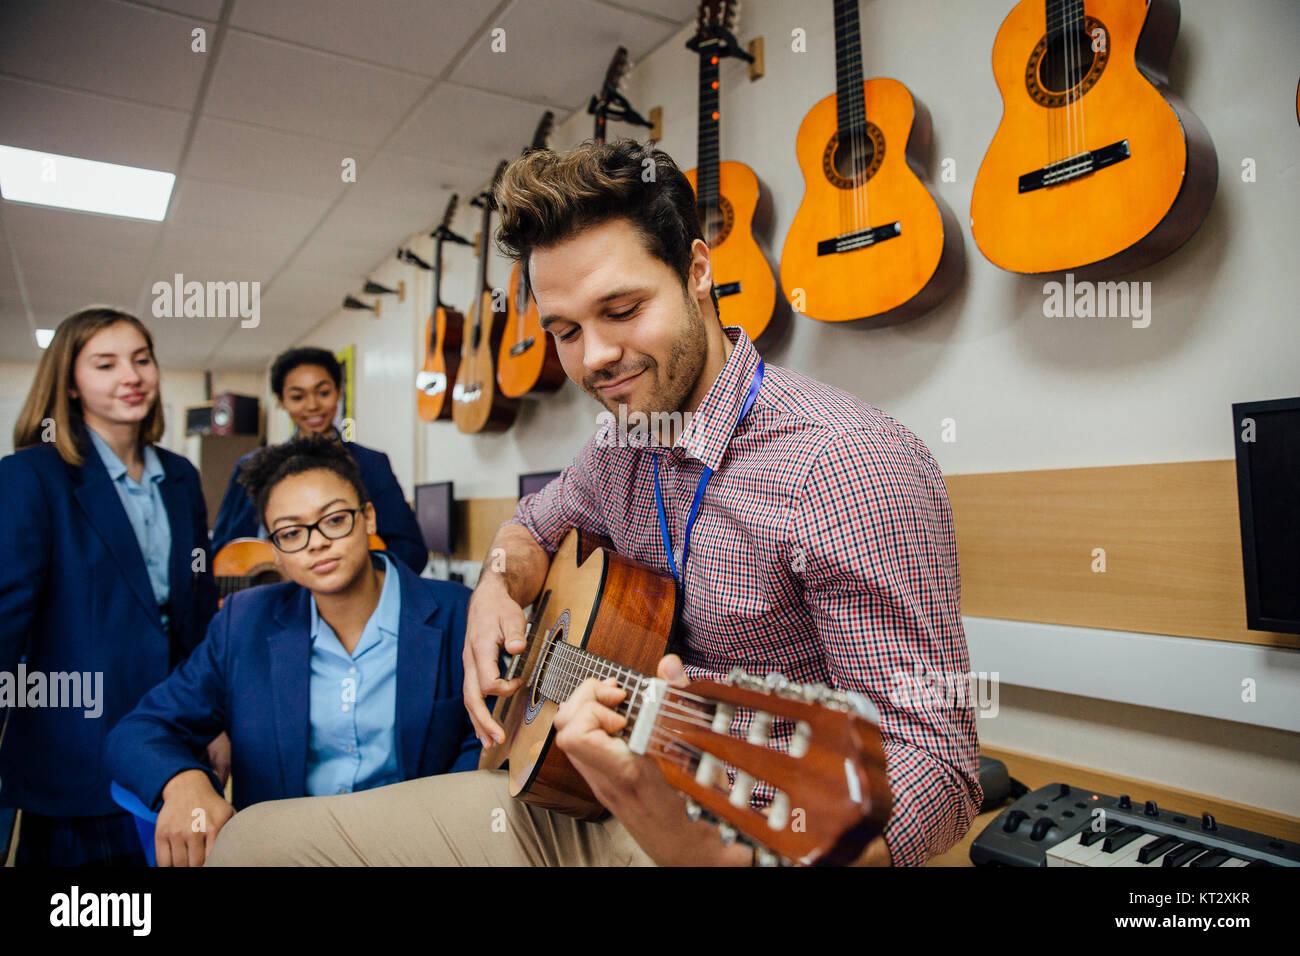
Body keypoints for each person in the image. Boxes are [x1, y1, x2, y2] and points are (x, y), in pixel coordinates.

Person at [205, 139, 981, 867]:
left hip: (754, 834)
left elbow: (938, 775)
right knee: (252, 845)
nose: (596, 359)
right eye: (565, 331)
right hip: (584, 793)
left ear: (699, 270)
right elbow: (529, 529)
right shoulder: (620, 448)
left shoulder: (841, 463)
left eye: (621, 311)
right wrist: (496, 590)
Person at [107, 435, 479, 866]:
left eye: (334, 520)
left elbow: (487, 743)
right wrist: (185, 781)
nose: (316, 542)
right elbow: (138, 730)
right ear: (276, 553)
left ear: (369, 518)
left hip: (419, 854)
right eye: (291, 532)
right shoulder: (244, 623)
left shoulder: (456, 610)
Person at [0, 306, 218, 866]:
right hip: (75, 750)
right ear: (69, 384)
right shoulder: (31, 476)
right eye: (105, 363)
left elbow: (195, 616)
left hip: (171, 742)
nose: (132, 376)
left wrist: (217, 720)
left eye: (142, 359)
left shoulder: (180, 476)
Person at [210, 347, 429, 573]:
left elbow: (411, 551)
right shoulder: (253, 467)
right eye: (297, 396)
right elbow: (224, 551)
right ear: (280, 400)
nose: (312, 405)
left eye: (323, 393)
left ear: (339, 391)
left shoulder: (370, 464)